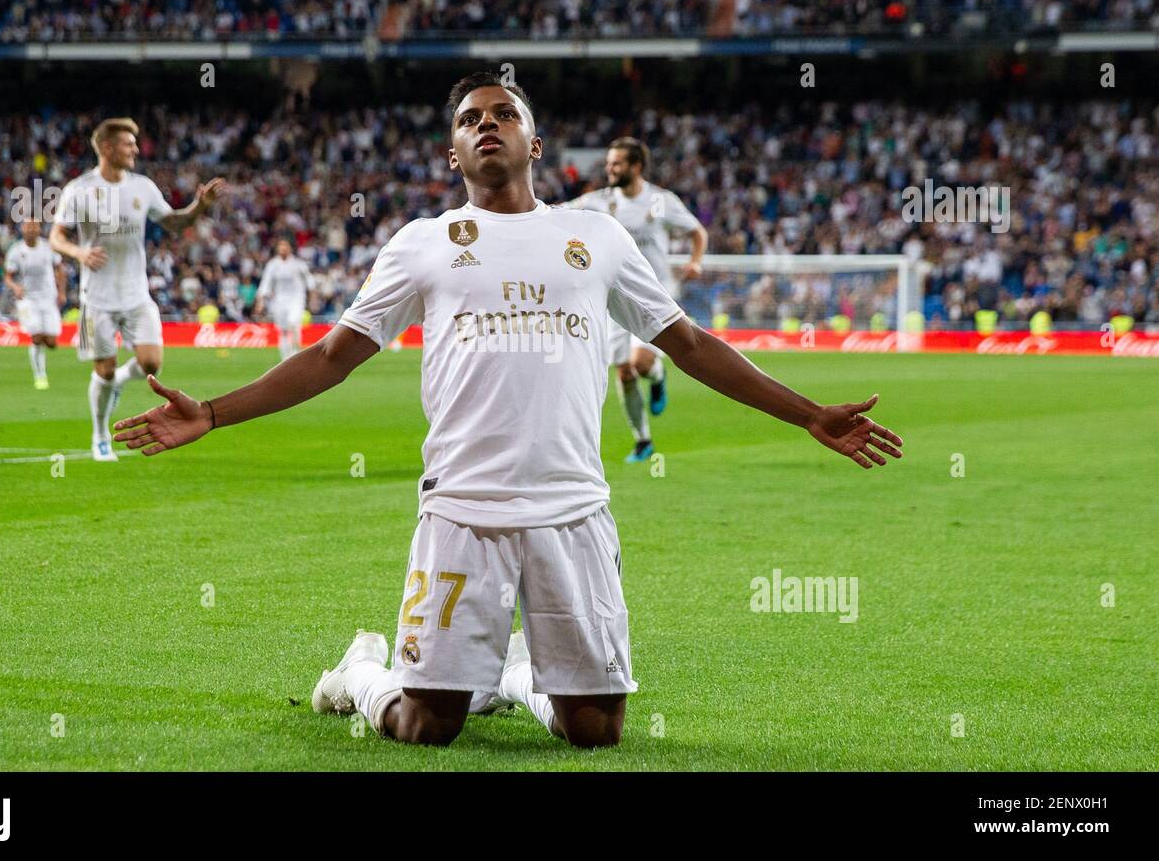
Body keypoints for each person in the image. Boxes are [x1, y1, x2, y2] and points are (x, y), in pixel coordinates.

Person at [112, 74, 903, 748]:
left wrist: (807, 414)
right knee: (428, 725)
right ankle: (359, 671)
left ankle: (519, 672)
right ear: (452, 154)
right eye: (469, 120)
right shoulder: (423, 243)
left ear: (535, 142)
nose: (486, 125)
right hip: (463, 508)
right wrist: (213, 412)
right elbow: (331, 357)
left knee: (595, 730)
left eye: (504, 114)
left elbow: (690, 344)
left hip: (572, 508)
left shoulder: (595, 238)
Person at [49, 117, 224, 461]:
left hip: (136, 294)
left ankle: (113, 387)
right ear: (108, 148)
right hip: (95, 298)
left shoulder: (142, 187)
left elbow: (174, 222)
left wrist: (199, 207)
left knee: (151, 363)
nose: (135, 150)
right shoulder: (78, 189)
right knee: (104, 369)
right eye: (128, 144)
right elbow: (56, 237)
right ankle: (100, 435)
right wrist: (79, 252)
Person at [562, 138, 707, 461]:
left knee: (640, 364)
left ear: (636, 167)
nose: (609, 169)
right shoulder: (599, 201)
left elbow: (698, 232)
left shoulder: (661, 201)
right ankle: (643, 442)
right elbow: (558, 213)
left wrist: (695, 261)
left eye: (616, 164)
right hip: (613, 298)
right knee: (624, 370)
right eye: (608, 163)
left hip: (655, 294)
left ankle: (657, 375)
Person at [3, 218, 65, 389]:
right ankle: (40, 376)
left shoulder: (48, 247)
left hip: (48, 298)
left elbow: (60, 268)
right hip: (27, 300)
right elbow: (8, 277)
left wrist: (61, 292)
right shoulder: (16, 251)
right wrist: (15, 287)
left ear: (39, 229)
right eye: (28, 226)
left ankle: (42, 347)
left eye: (34, 226)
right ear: (22, 229)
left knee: (51, 343)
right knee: (36, 337)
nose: (31, 229)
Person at [254, 238, 312, 361]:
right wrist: (260, 302)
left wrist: (313, 298)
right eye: (280, 245)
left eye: (285, 245)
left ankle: (296, 352)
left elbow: (309, 281)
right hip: (280, 300)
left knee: (293, 324)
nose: (283, 248)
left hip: (297, 299)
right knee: (283, 331)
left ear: (290, 248)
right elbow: (265, 283)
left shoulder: (298, 264)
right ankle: (286, 359)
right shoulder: (272, 265)